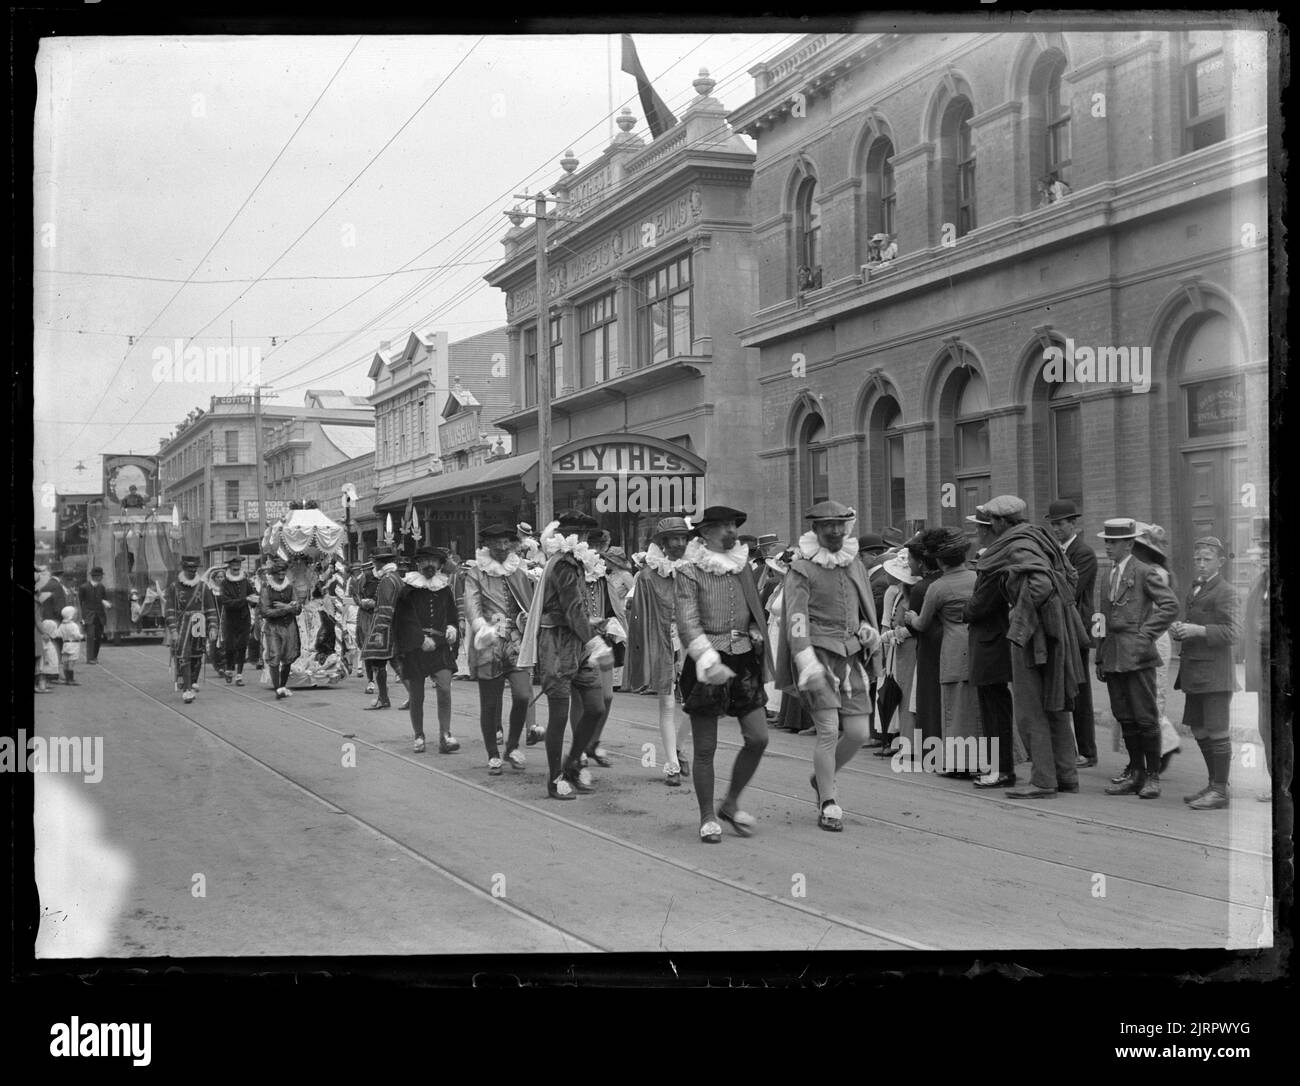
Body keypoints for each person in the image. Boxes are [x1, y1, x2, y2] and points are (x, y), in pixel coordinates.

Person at [775, 501, 881, 831]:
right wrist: (805, 660)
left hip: (851, 656)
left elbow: (862, 609)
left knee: (860, 733)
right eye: (828, 526)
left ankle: (822, 778)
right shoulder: (802, 568)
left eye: (840, 525)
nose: (835, 531)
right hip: (817, 656)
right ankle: (828, 801)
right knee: (828, 730)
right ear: (816, 530)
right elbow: (795, 619)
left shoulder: (854, 565)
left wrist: (867, 629)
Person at [976, 496, 1089, 799]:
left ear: (1001, 522)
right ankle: (1065, 775)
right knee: (1055, 704)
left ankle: (1043, 780)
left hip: (1035, 636)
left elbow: (1041, 584)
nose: (987, 528)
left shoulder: (1017, 545)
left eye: (990, 522)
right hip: (1054, 630)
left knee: (1030, 708)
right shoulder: (1038, 535)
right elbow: (1070, 576)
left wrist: (1019, 616)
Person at [675, 505, 770, 842]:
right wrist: (706, 658)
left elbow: (753, 609)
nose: (731, 531)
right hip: (706, 661)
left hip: (743, 660)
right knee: (705, 748)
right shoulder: (688, 569)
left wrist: (755, 631)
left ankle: (730, 802)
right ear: (705, 533)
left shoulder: (741, 565)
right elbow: (687, 622)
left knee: (759, 738)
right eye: (723, 526)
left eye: (733, 524)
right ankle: (706, 817)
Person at [517, 511, 615, 799]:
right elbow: (571, 610)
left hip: (578, 641)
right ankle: (555, 777)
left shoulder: (575, 563)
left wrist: (593, 624)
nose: (584, 539)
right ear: (567, 536)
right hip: (558, 643)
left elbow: (575, 609)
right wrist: (596, 642)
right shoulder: (563, 563)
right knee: (559, 715)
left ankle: (572, 761)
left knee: (596, 707)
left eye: (586, 534)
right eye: (580, 534)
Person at [1096, 518, 1180, 800]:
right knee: (1125, 716)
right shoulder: (1107, 574)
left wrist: (1146, 635)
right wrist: (1099, 655)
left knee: (1146, 717)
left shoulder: (1144, 572)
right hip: (1113, 655)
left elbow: (1170, 606)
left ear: (1129, 544)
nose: (1108, 546)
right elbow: (1102, 618)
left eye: (1114, 542)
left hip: (1138, 655)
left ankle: (1153, 776)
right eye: (1106, 541)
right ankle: (1136, 774)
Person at [1172, 536, 1241, 810]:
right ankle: (1215, 783)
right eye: (1197, 559)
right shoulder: (1195, 588)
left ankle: (1219, 791)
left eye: (1207, 559)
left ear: (1220, 562)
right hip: (1196, 672)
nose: (1200, 564)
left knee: (1217, 730)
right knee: (1199, 728)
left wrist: (1197, 631)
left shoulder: (1226, 591)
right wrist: (1181, 628)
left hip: (1215, 675)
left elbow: (1234, 632)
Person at [463, 523, 538, 773]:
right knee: (490, 703)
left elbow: (528, 602)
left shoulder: (518, 571)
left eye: (506, 542)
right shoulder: (476, 573)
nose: (502, 547)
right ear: (488, 545)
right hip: (489, 643)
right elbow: (471, 605)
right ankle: (493, 755)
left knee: (523, 695)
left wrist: (527, 619)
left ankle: (512, 746)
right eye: (497, 543)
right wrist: (480, 627)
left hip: (515, 642)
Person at [625, 515, 693, 785]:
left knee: (695, 703)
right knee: (666, 703)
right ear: (662, 543)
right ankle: (672, 765)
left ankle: (678, 747)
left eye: (682, 538)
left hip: (692, 642)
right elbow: (639, 618)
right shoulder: (647, 577)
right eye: (673, 539)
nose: (678, 543)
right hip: (662, 641)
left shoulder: (695, 570)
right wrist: (643, 654)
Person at [905, 527, 979, 776]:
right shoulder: (976, 578)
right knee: (976, 705)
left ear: (938, 559)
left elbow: (922, 624)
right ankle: (982, 759)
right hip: (977, 645)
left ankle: (959, 763)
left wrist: (911, 617)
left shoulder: (938, 587)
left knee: (954, 707)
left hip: (953, 648)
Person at [373, 545, 460, 755]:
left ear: (439, 565)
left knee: (445, 689)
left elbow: (451, 614)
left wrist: (452, 628)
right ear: (418, 564)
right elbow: (403, 620)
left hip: (439, 647)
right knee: (417, 695)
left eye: (434, 561)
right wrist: (419, 639)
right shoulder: (408, 590)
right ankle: (419, 734)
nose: (430, 565)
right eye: (425, 561)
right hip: (416, 649)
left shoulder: (445, 588)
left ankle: (445, 735)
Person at [963, 506, 1017, 787]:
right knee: (992, 708)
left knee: (995, 710)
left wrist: (966, 610)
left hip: (992, 644)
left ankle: (1003, 769)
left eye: (979, 528)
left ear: (988, 530)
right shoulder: (993, 561)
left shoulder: (995, 564)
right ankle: (998, 766)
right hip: (990, 643)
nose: (976, 534)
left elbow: (978, 606)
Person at [1046, 500, 1099, 768]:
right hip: (1060, 626)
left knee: (1080, 690)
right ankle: (1071, 748)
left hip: (1076, 628)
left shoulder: (1084, 553)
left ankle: (1088, 751)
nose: (1056, 529)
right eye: (1053, 524)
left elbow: (1070, 590)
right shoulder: (1055, 551)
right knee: (1065, 687)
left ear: (1073, 524)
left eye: (1060, 524)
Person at [901, 532, 943, 766]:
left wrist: (911, 620)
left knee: (929, 699)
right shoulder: (947, 580)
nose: (908, 564)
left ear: (920, 561)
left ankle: (932, 751)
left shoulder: (921, 589)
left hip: (928, 650)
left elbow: (916, 627)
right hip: (951, 647)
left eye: (909, 559)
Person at [876, 549, 920, 757]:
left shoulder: (910, 596)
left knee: (907, 694)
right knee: (899, 694)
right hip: (899, 650)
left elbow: (913, 625)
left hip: (908, 650)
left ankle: (908, 742)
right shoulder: (900, 594)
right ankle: (900, 739)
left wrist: (894, 634)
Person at [1241, 518, 1270, 802]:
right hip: (1264, 668)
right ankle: (1277, 781)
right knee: (1266, 727)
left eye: (1267, 547)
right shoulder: (1261, 581)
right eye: (1261, 547)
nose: (1261, 553)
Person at [165, 554, 218, 704]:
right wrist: (173, 630)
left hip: (199, 625)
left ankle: (192, 680)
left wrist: (213, 627)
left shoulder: (203, 587)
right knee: (183, 655)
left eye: (194, 568)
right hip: (182, 625)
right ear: (183, 568)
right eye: (189, 568)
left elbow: (211, 609)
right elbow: (169, 609)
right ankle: (187, 689)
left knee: (197, 655)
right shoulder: (174, 587)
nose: (192, 570)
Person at [358, 550, 400, 709]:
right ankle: (409, 697)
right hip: (392, 626)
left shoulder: (387, 580)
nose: (374, 565)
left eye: (375, 562)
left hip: (384, 628)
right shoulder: (394, 577)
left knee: (377, 662)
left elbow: (386, 606)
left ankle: (384, 698)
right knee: (395, 663)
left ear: (380, 563)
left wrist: (379, 629)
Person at [259, 556, 302, 699]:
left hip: (289, 626)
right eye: (279, 574)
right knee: (274, 656)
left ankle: (283, 685)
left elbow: (298, 608)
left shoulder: (290, 587)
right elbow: (265, 612)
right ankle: (277, 687)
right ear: (273, 574)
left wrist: (288, 607)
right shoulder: (267, 589)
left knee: (288, 656)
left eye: (284, 573)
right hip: (273, 627)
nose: (282, 576)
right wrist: (286, 609)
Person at [216, 556, 257, 686]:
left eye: (238, 565)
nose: (236, 567)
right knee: (230, 646)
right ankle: (229, 668)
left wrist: (256, 601)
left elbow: (252, 595)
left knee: (242, 646)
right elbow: (226, 602)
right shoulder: (224, 583)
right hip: (230, 619)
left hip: (244, 618)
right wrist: (245, 600)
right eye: (234, 565)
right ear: (229, 567)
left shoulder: (245, 581)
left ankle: (239, 675)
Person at [77, 566, 112, 665]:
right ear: (96, 576)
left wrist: (107, 604)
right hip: (89, 616)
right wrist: (81, 617)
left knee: (98, 637)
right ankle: (89, 658)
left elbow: (103, 599)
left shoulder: (102, 587)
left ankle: (95, 656)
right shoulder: (83, 587)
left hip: (100, 616)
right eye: (100, 576)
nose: (101, 578)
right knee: (91, 636)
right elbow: (80, 602)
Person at [55, 606, 84, 685]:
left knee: (65, 662)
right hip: (74, 644)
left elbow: (57, 634)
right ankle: (71, 680)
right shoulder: (74, 625)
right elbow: (77, 635)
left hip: (65, 644)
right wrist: (82, 636)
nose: (76, 616)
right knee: (71, 663)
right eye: (75, 614)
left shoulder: (62, 625)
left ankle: (66, 678)